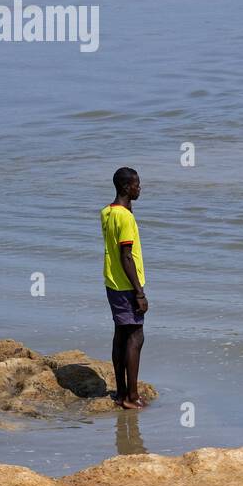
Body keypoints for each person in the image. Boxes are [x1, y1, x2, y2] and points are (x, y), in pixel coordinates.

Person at [101, 167, 148, 409]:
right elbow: (126, 256)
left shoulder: (108, 212)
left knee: (121, 335)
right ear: (125, 187)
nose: (139, 188)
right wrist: (139, 292)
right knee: (135, 337)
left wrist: (129, 207)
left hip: (112, 283)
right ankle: (132, 396)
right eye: (136, 184)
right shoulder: (126, 218)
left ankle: (121, 393)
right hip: (127, 285)